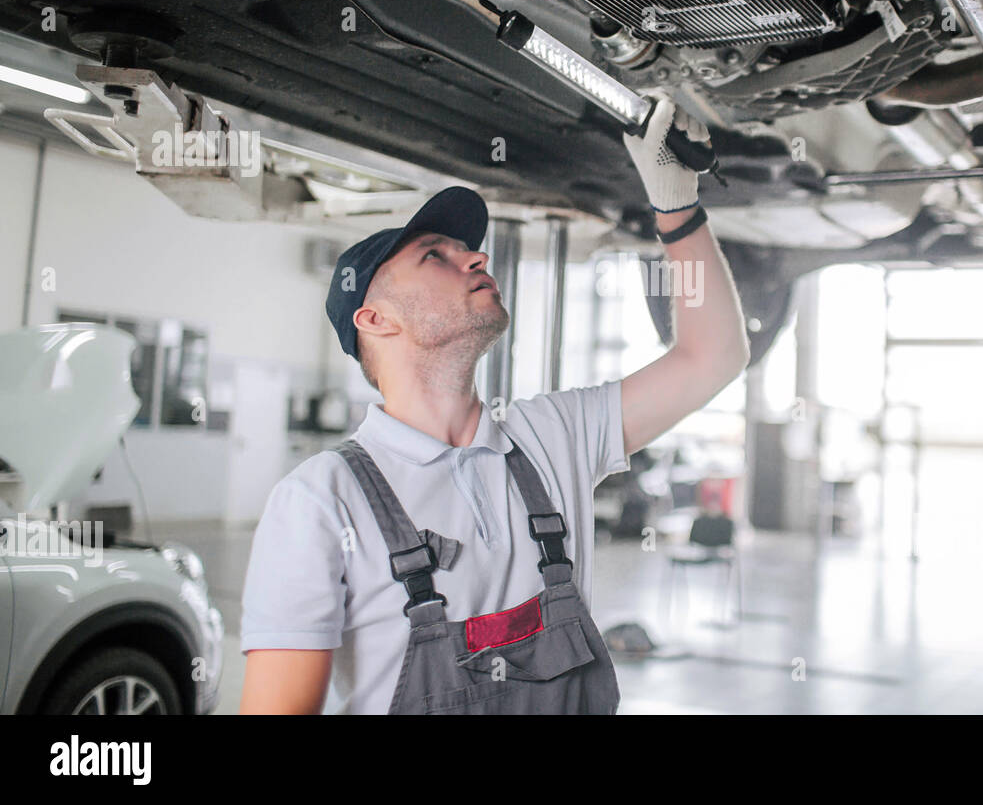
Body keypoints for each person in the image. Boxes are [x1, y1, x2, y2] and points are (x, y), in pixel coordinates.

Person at [238, 93, 749, 713]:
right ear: (373, 318)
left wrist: (679, 210)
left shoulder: (551, 436)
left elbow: (713, 355)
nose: (477, 256)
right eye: (436, 255)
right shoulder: (320, 499)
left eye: (468, 249)